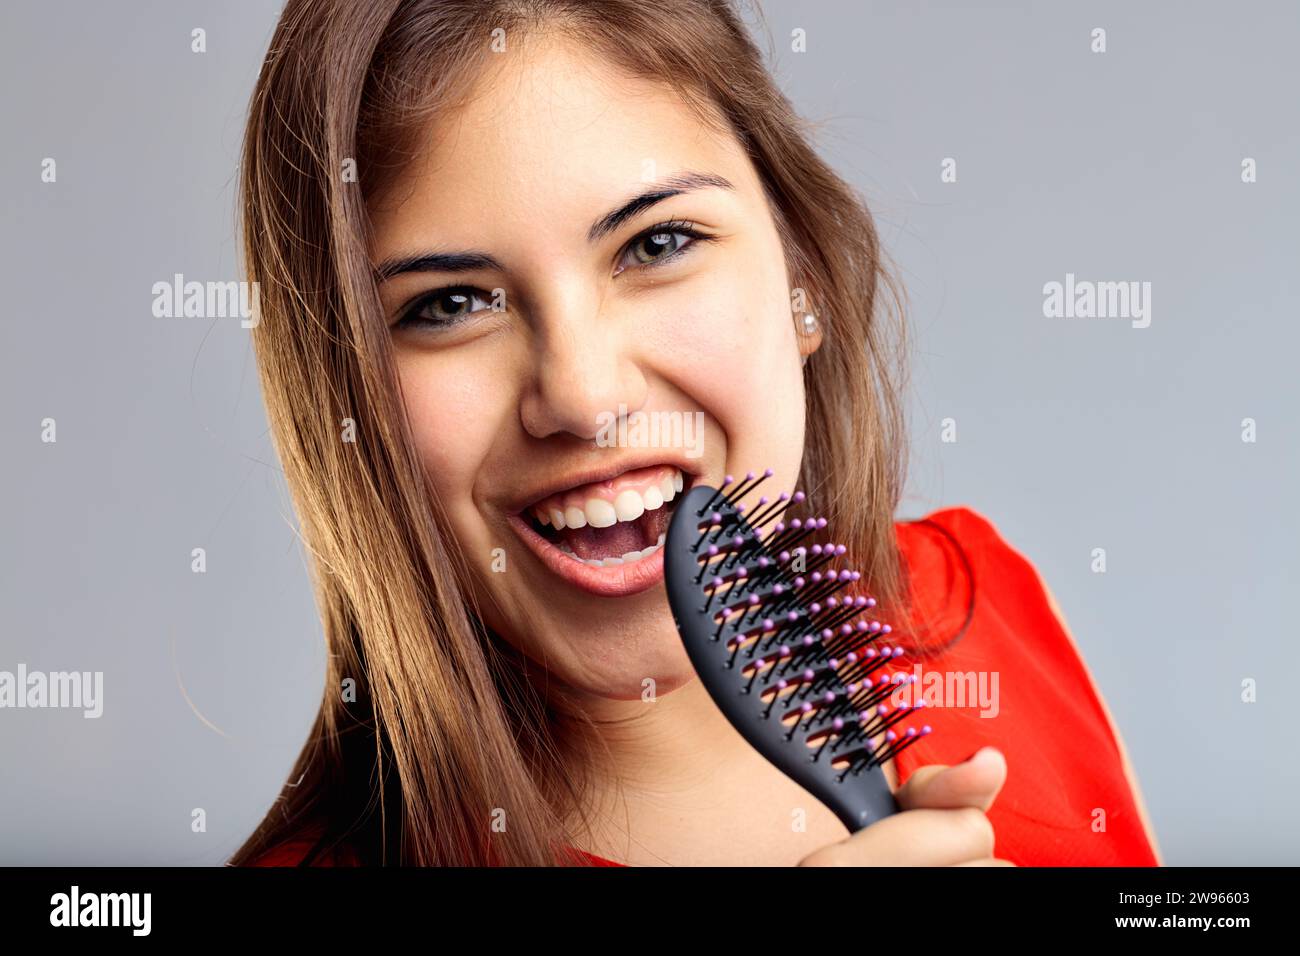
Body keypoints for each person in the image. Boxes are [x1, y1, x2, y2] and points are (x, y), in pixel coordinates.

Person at [230, 0, 1160, 867]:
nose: (586, 397)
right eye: (449, 304)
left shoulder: (985, 606)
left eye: (657, 244)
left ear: (806, 282)